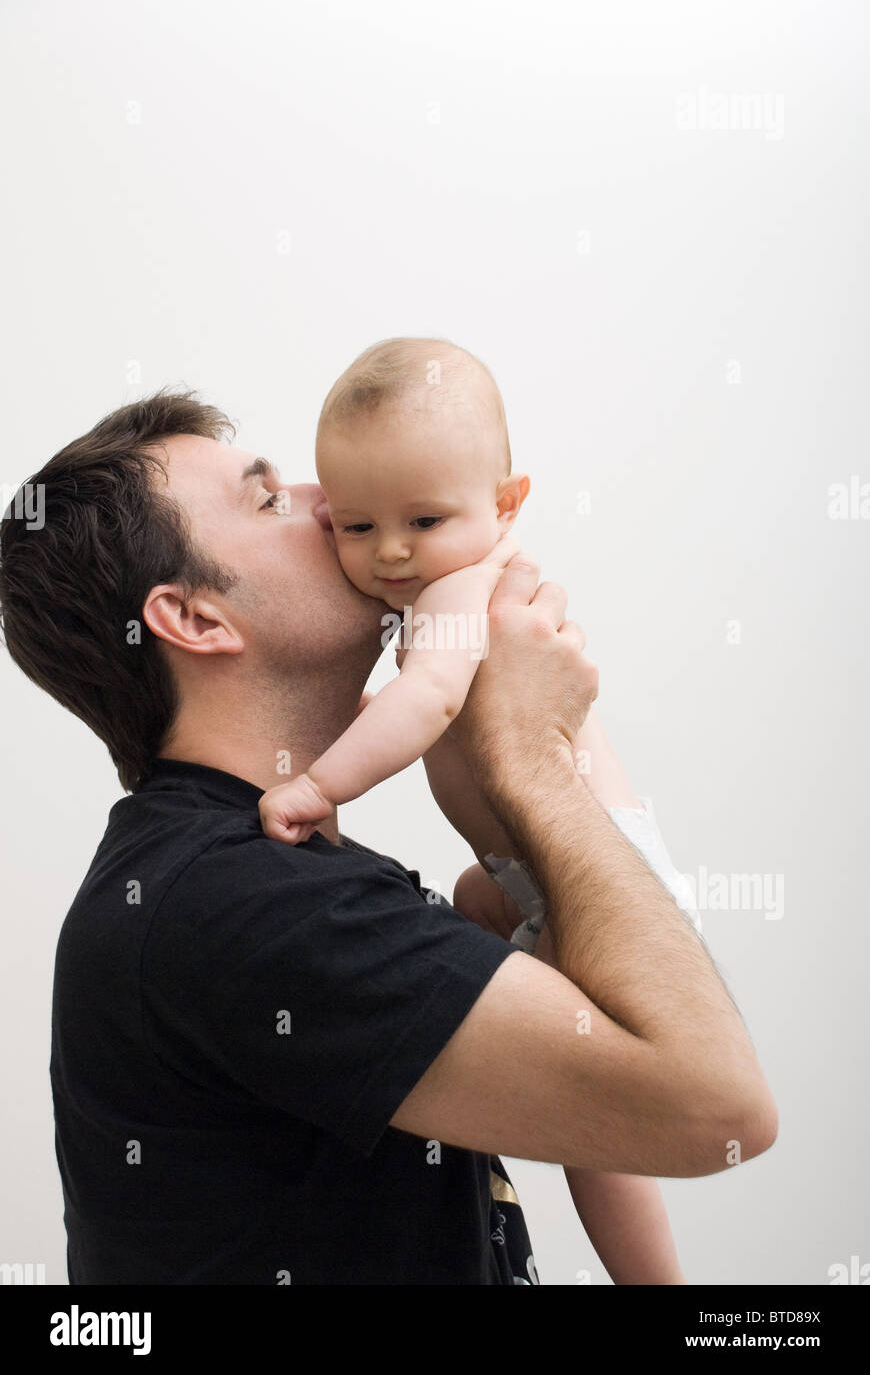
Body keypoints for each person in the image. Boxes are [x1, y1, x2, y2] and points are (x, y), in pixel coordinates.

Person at [0, 383, 777, 1285]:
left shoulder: (244, 874)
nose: (331, 502)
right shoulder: (244, 902)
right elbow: (722, 1112)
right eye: (268, 498)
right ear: (196, 619)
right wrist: (528, 753)